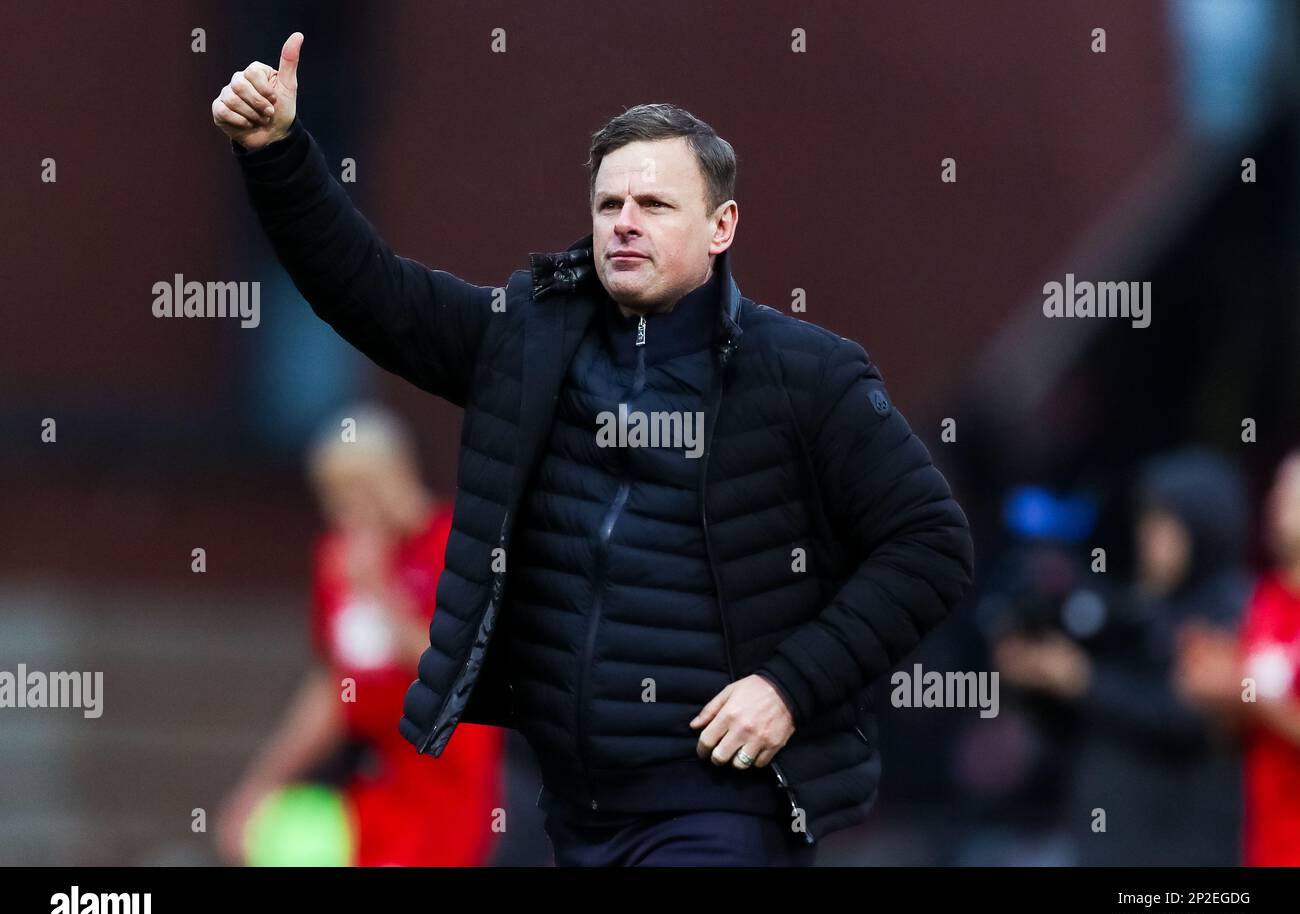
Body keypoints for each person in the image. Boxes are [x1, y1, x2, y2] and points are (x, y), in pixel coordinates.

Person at [212, 33, 974, 866]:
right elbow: (373, 295)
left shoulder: (805, 373)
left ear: (722, 226)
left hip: (721, 804)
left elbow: (931, 545)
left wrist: (789, 687)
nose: (625, 224)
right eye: (610, 205)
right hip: (573, 809)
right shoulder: (533, 339)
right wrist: (278, 153)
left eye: (655, 206)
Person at [216, 402, 505, 866]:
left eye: (360, 490)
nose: (347, 509)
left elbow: (461, 666)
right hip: (369, 777)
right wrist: (262, 784)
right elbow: (333, 685)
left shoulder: (451, 544)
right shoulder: (336, 558)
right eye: (335, 495)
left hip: (447, 779)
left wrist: (379, 593)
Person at [996, 447, 1249, 865]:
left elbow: (1187, 719)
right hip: (1107, 838)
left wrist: (1083, 680)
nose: (1150, 538)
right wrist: (1036, 679)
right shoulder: (1135, 610)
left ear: (1204, 525)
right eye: (1147, 522)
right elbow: (1080, 724)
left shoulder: (1232, 612)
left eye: (1167, 523)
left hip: (1183, 848)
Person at [1175, 450, 1300, 865]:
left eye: (1289, 490)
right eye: (1275, 489)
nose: (1275, 501)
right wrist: (1212, 687)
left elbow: (1262, 700)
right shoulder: (1265, 600)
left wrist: (1245, 689)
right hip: (1263, 848)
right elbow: (1231, 739)